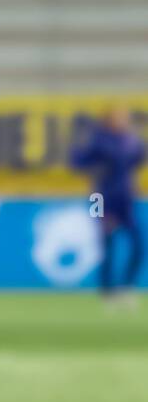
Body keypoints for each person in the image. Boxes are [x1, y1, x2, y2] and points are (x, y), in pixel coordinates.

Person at [70, 106, 145, 300]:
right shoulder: (99, 142)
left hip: (125, 198)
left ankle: (126, 287)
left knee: (138, 244)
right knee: (105, 243)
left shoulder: (130, 141)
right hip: (100, 197)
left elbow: (137, 160)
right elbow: (78, 161)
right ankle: (107, 290)